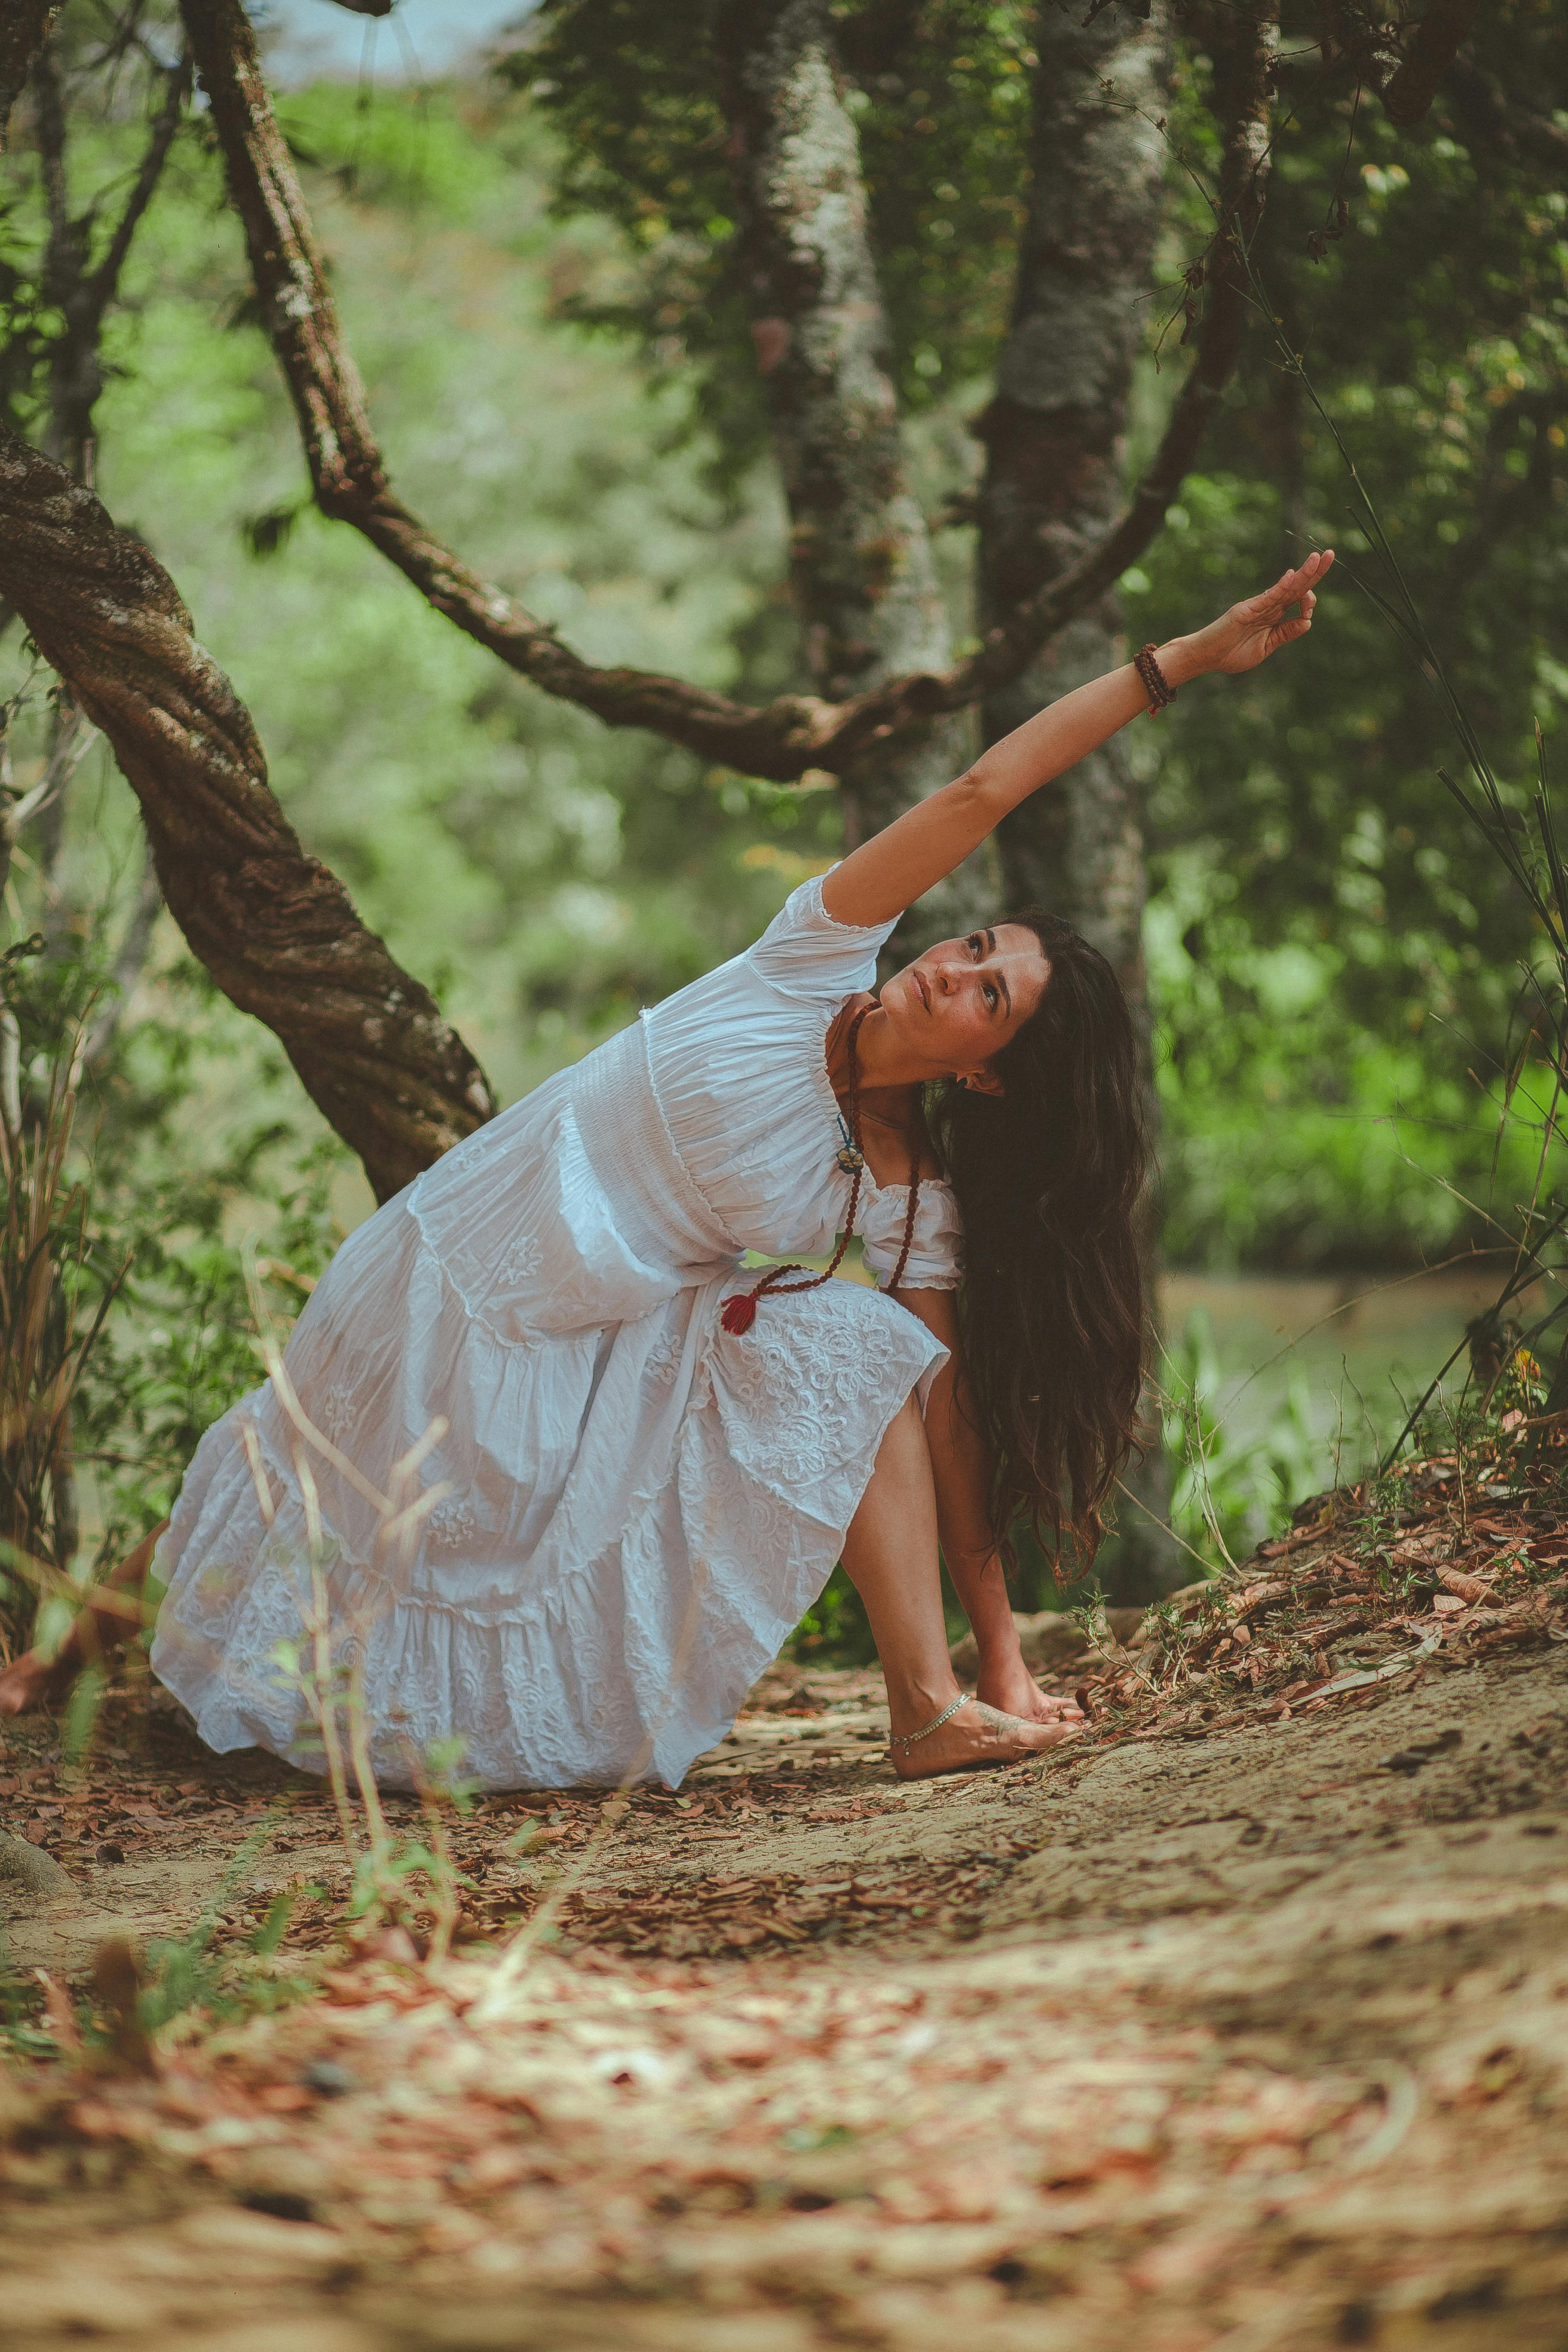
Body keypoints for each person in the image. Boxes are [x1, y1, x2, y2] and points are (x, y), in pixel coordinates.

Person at [0, 554, 1332, 1783]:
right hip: (455, 1264)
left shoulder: (905, 1186)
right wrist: (1179, 662)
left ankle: (925, 1708)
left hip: (594, 1358)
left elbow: (948, 1416)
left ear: (990, 1071)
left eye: (990, 996)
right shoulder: (809, 955)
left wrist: (1005, 1653)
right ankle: (44, 1667)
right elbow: (987, 789)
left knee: (866, 1347)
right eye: (977, 943)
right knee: (290, 1462)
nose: (955, 965)